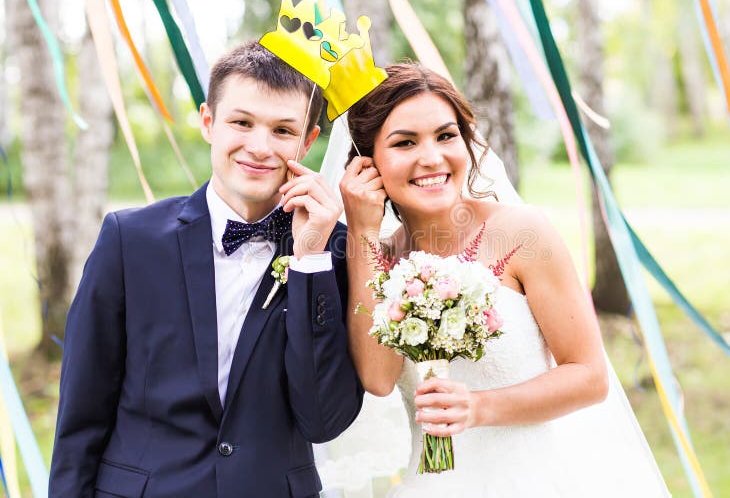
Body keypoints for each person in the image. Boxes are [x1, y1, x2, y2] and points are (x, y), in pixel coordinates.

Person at [338, 63, 670, 496]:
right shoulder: (374, 258)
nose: (432, 158)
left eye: (445, 135)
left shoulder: (522, 234)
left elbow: (589, 375)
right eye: (405, 142)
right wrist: (362, 230)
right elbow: (378, 379)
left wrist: (478, 407)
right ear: (368, 163)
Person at [49, 41, 363, 497]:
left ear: (308, 140)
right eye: (241, 122)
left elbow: (323, 419)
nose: (259, 147)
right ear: (208, 122)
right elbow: (81, 414)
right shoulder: (128, 240)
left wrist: (308, 257)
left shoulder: (333, 252)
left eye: (282, 130)